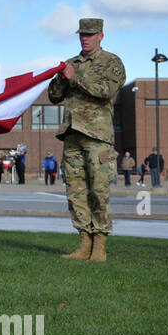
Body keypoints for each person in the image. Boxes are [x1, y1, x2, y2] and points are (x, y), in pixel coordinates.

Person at [47, 18, 126, 262]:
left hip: (97, 137)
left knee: (98, 191)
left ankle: (99, 246)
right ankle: (84, 242)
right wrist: (61, 79)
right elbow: (53, 96)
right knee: (76, 192)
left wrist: (74, 78)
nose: (85, 38)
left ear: (101, 36)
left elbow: (106, 91)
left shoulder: (111, 62)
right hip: (72, 135)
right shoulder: (71, 64)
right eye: (82, 34)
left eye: (90, 34)